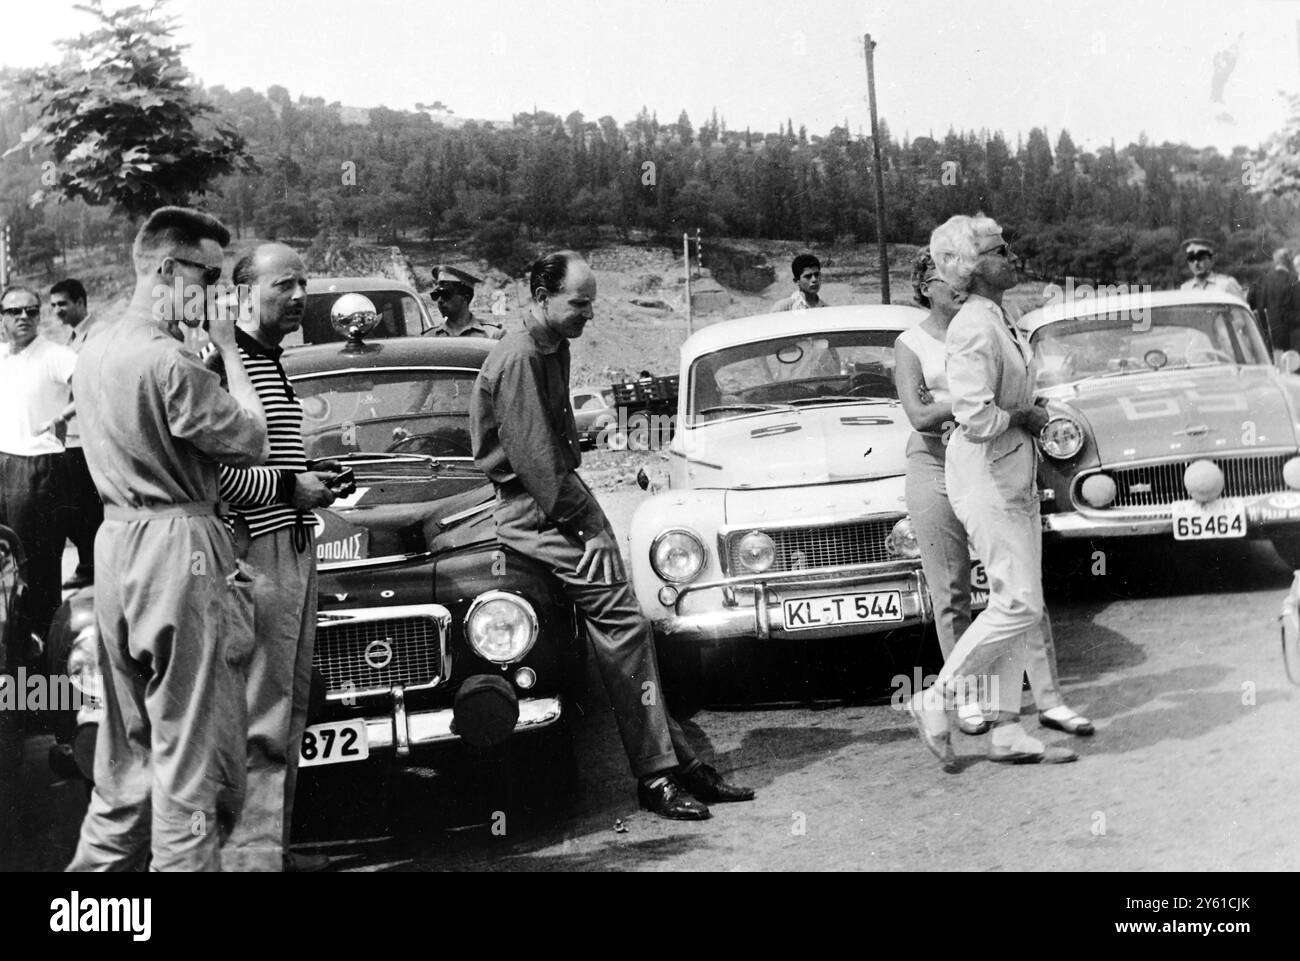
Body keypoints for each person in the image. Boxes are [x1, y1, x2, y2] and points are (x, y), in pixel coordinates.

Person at [470, 250, 754, 819]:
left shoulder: (550, 343)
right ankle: (658, 775)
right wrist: (590, 529)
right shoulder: (523, 355)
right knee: (625, 623)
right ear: (541, 296)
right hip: (538, 512)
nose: (589, 315)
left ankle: (678, 760)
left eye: (591, 302)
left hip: (555, 502)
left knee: (629, 624)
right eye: (579, 303)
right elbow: (538, 465)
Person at [67, 206, 269, 872]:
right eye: (208, 275)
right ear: (166, 269)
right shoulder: (171, 359)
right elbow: (253, 435)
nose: (216, 291)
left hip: (115, 544)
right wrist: (231, 348)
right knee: (191, 764)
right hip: (178, 547)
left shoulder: (94, 345)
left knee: (124, 761)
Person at [896, 248, 1093, 739]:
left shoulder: (988, 325)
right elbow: (918, 416)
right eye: (945, 279)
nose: (957, 285)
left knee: (1023, 588)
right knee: (952, 590)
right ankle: (963, 700)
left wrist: (1014, 403)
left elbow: (1013, 393)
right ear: (925, 287)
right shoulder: (911, 342)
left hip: (992, 462)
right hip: (935, 467)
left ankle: (1048, 698)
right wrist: (972, 401)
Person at [203, 243, 341, 872]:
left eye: (304, 283)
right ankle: (250, 862)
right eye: (285, 283)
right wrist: (292, 488)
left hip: (291, 545)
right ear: (244, 292)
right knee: (261, 716)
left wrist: (309, 475)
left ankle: (272, 850)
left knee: (289, 706)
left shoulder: (268, 361)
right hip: (254, 553)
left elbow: (265, 459)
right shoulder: (224, 364)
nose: (299, 295)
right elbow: (224, 480)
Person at [0, 286, 77, 642]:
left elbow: (92, 385)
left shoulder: (56, 356)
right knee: (6, 564)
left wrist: (62, 415)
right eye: (15, 312)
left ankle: (45, 653)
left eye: (31, 311)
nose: (24, 318)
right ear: (2, 317)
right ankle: (12, 646)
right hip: (4, 462)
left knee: (37, 563)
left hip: (38, 466)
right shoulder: (3, 355)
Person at [49, 278, 103, 589]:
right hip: (70, 438)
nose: (56, 310)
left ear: (81, 302)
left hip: (88, 438)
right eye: (53, 305)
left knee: (86, 506)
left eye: (62, 304)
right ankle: (89, 564)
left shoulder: (96, 336)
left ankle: (92, 567)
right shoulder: (72, 339)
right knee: (75, 507)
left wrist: (58, 415)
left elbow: (88, 387)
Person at [1247, 248, 1300, 356]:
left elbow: (1250, 301)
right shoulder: (1294, 281)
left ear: (1275, 261)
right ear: (1289, 262)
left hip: (1265, 336)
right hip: (1289, 339)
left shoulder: (1261, 280)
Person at [426, 265, 504, 339]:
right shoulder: (430, 337)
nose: (440, 300)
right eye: (436, 295)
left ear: (465, 297)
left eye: (446, 294)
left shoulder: (492, 335)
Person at [1180, 238, 1245, 299]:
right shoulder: (1185, 289)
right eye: (1191, 259)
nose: (1196, 263)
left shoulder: (1226, 284)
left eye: (1201, 258)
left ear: (1212, 260)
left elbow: (1241, 309)